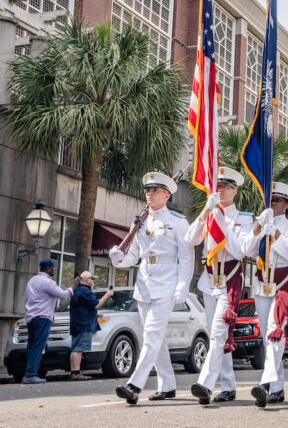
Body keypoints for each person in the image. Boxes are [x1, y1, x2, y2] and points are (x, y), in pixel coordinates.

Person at [110, 171, 194, 404]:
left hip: (167, 285)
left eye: (155, 190)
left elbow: (187, 257)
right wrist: (118, 258)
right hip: (145, 286)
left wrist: (182, 286)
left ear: (167, 195)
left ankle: (134, 385)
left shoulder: (178, 222)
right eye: (148, 190)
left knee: (152, 335)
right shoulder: (140, 222)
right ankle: (167, 385)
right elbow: (134, 256)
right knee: (155, 338)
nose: (150, 194)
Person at [186, 167, 259, 404]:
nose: (221, 190)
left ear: (235, 190)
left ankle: (205, 384)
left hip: (230, 280)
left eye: (226, 186)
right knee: (216, 335)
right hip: (209, 280)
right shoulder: (209, 213)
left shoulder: (244, 219)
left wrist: (223, 223)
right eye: (218, 185)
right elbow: (191, 239)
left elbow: (240, 251)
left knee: (219, 333)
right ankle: (228, 386)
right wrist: (207, 210)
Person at [250, 182, 288, 407]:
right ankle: (278, 387)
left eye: (278, 200)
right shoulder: (261, 222)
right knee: (269, 337)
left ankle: (265, 384)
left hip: (285, 282)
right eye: (271, 200)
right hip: (263, 282)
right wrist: (258, 227)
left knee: (276, 332)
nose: (273, 204)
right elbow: (247, 251)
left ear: (286, 204)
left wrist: (274, 233)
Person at [22, 258, 79, 384]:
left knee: (31, 346)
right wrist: (73, 286)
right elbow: (63, 295)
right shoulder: (48, 282)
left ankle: (29, 373)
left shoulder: (32, 280)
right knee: (38, 347)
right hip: (42, 317)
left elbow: (27, 299)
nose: (54, 269)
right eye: (53, 267)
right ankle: (30, 375)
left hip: (31, 317)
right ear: (48, 269)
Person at [69, 271, 113, 380]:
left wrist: (94, 314)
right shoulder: (85, 291)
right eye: (92, 278)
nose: (93, 280)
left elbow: (82, 307)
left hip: (78, 323)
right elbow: (96, 304)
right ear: (85, 279)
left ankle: (74, 372)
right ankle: (75, 373)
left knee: (76, 348)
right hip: (83, 325)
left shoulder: (78, 290)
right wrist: (107, 295)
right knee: (78, 349)